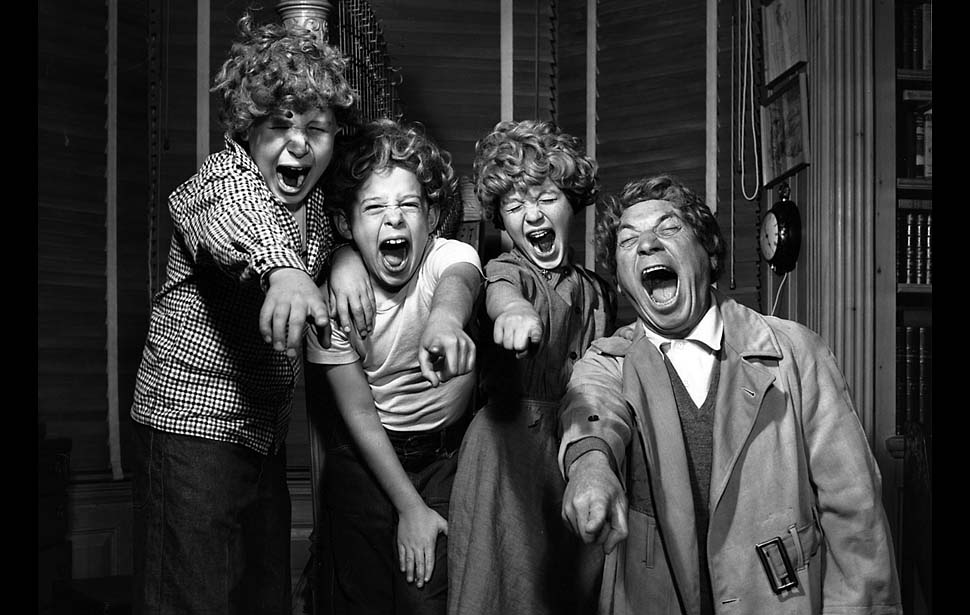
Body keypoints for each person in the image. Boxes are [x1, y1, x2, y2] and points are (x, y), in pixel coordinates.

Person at [558, 174, 902, 614]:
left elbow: (855, 513)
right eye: (628, 240)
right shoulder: (608, 361)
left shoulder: (796, 352)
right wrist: (590, 468)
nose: (646, 245)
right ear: (623, 283)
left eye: (668, 228)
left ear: (709, 251)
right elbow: (591, 408)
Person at [129, 13, 374, 614]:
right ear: (247, 131)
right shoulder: (222, 179)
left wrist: (344, 258)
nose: (299, 142)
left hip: (262, 438)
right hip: (189, 433)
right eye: (279, 124)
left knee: (262, 598)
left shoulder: (317, 205)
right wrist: (284, 272)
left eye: (316, 128)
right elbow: (234, 216)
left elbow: (337, 234)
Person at [305, 118, 483, 615]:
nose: (395, 219)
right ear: (346, 225)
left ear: (432, 217)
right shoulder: (331, 306)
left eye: (409, 205)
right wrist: (408, 507)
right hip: (368, 454)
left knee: (425, 598)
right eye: (374, 207)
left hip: (445, 457)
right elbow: (359, 414)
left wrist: (445, 322)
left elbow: (460, 280)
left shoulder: (447, 257)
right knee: (361, 597)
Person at [448, 119, 617, 615]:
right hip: (505, 453)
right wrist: (515, 314)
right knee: (499, 589)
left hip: (573, 446)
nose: (533, 214)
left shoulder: (598, 290)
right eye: (515, 206)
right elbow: (501, 295)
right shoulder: (506, 270)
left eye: (545, 197)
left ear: (573, 201)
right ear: (501, 220)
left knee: (569, 589)